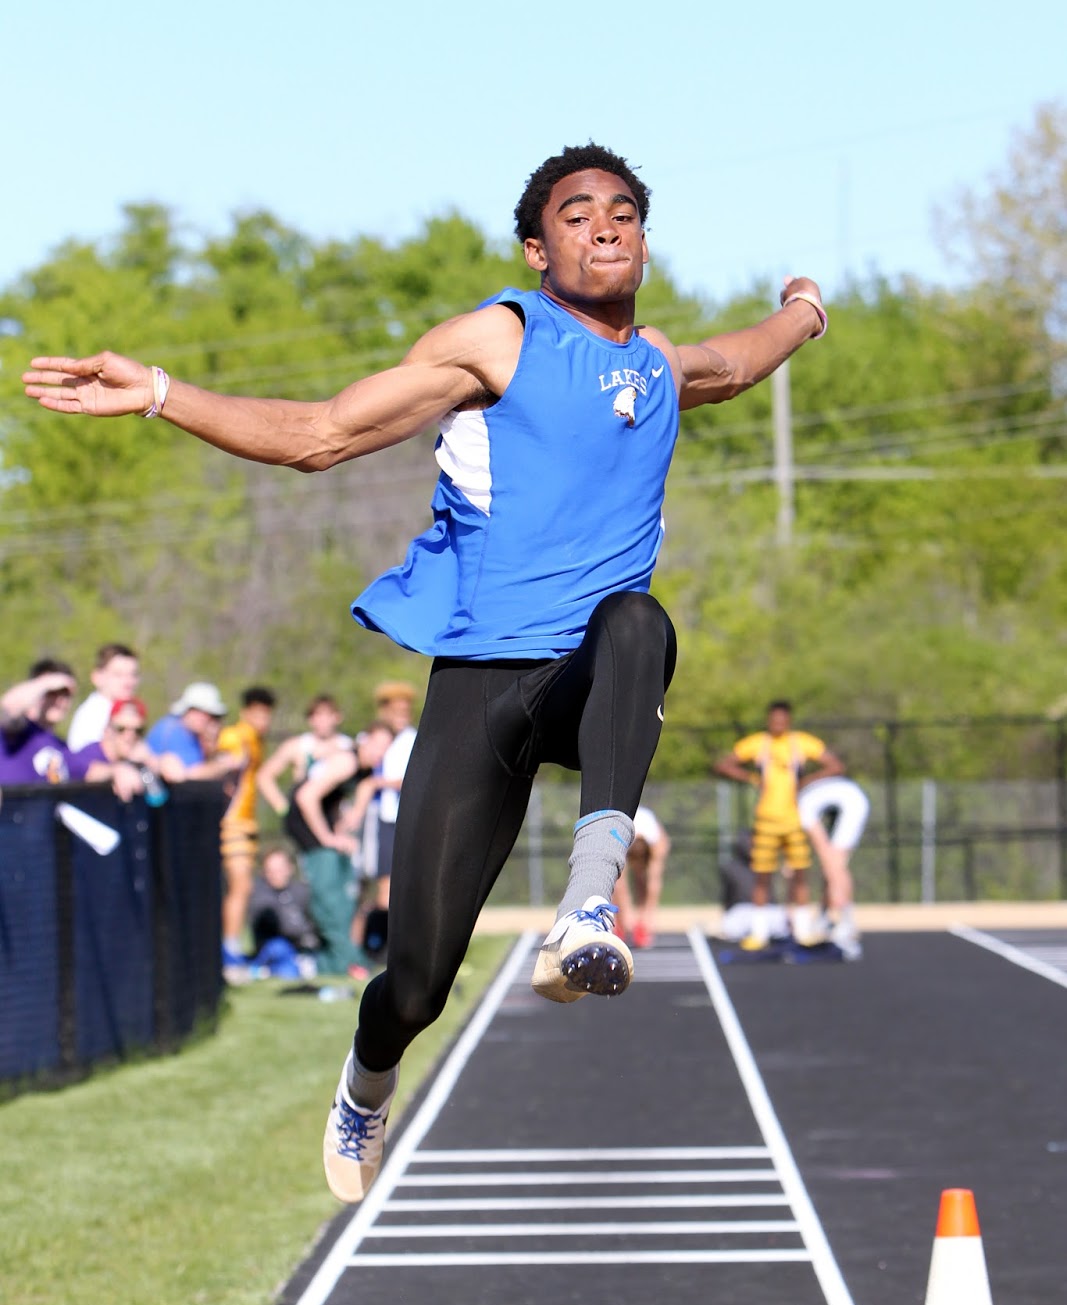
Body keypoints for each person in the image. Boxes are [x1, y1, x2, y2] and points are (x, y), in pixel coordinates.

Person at [22, 141, 828, 1203]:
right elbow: (318, 435)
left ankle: (587, 907)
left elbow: (737, 359)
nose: (604, 226)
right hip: (483, 690)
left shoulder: (658, 367)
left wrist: (806, 311)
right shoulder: (496, 340)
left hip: (588, 674)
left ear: (643, 238)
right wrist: (162, 391)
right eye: (577, 214)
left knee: (637, 623)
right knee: (415, 982)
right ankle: (364, 1082)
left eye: (623, 211)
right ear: (536, 247)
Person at [714, 701, 842, 950]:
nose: (778, 724)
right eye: (774, 720)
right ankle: (759, 932)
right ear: (769, 721)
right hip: (766, 820)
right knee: (762, 876)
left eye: (782, 720)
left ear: (788, 721)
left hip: (793, 820)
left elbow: (834, 764)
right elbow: (724, 763)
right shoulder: (759, 744)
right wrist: (751, 777)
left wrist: (808, 780)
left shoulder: (801, 743)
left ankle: (803, 929)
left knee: (800, 874)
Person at [285, 722, 395, 977]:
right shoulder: (347, 761)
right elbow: (306, 797)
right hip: (306, 826)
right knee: (329, 900)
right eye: (376, 745)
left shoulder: (365, 771)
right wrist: (327, 838)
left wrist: (341, 830)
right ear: (364, 740)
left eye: (385, 748)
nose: (379, 752)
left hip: (323, 827)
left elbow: (340, 804)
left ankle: (346, 960)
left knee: (346, 899)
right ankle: (337, 963)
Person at [215, 686, 277, 973]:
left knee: (242, 886)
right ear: (246, 713)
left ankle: (231, 945)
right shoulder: (235, 736)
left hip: (247, 820)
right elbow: (223, 765)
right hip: (232, 821)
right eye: (258, 714)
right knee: (240, 885)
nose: (263, 720)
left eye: (267, 715)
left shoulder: (257, 740)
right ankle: (229, 948)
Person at [358, 681, 418, 951]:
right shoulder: (370, 737)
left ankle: (389, 945)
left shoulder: (412, 738)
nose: (401, 714)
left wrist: (382, 783)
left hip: (402, 818)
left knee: (396, 885)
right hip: (378, 818)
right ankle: (374, 943)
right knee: (374, 883)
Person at [797, 774, 870, 959]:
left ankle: (846, 923)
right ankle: (824, 918)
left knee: (834, 865)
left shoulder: (801, 806)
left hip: (853, 805)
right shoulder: (806, 799)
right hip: (850, 799)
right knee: (832, 866)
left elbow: (824, 852)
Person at [256, 693, 354, 822]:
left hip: (338, 817)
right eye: (317, 715)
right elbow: (264, 776)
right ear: (310, 719)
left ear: (337, 717)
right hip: (307, 815)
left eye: (327, 715)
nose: (322, 721)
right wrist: (284, 808)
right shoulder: (298, 746)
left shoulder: (348, 746)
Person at [0, 660, 95, 784]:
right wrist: (46, 683)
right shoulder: (18, 731)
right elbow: (8, 708)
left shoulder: (61, 746)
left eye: (65, 694)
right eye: (51, 693)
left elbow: (90, 771)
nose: (59, 700)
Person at [246, 844, 321, 978]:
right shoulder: (258, 892)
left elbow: (313, 922)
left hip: (301, 948)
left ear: (290, 869)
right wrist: (302, 934)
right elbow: (285, 926)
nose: (275, 875)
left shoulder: (301, 891)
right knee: (280, 952)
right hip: (272, 947)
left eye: (280, 870)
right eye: (270, 870)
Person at [145, 681, 242, 782]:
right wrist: (222, 765)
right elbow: (184, 775)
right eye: (203, 713)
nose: (207, 719)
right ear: (190, 710)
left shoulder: (191, 734)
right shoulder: (174, 731)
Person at [613, 802, 670, 949]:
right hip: (619, 828)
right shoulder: (621, 840)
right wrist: (627, 915)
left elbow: (653, 884)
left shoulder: (657, 843)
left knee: (644, 882)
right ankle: (617, 924)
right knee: (613, 881)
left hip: (644, 832)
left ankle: (641, 925)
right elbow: (620, 884)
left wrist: (646, 919)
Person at [67, 643, 140, 751]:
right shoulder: (92, 714)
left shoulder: (126, 711)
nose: (128, 682)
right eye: (118, 674)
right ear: (97, 677)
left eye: (133, 674)